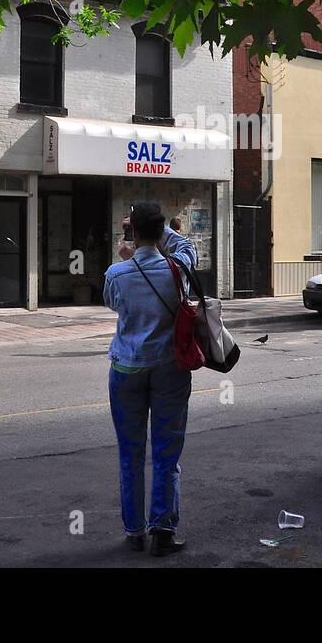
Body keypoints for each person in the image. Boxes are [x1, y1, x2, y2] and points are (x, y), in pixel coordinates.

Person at [103, 201, 199, 557]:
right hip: (169, 368)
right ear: (161, 232)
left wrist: (129, 254)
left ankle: (134, 531)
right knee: (166, 452)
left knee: (130, 454)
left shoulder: (116, 274)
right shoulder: (177, 269)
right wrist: (165, 235)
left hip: (127, 368)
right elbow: (189, 248)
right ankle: (163, 530)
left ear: (133, 232)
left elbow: (115, 305)